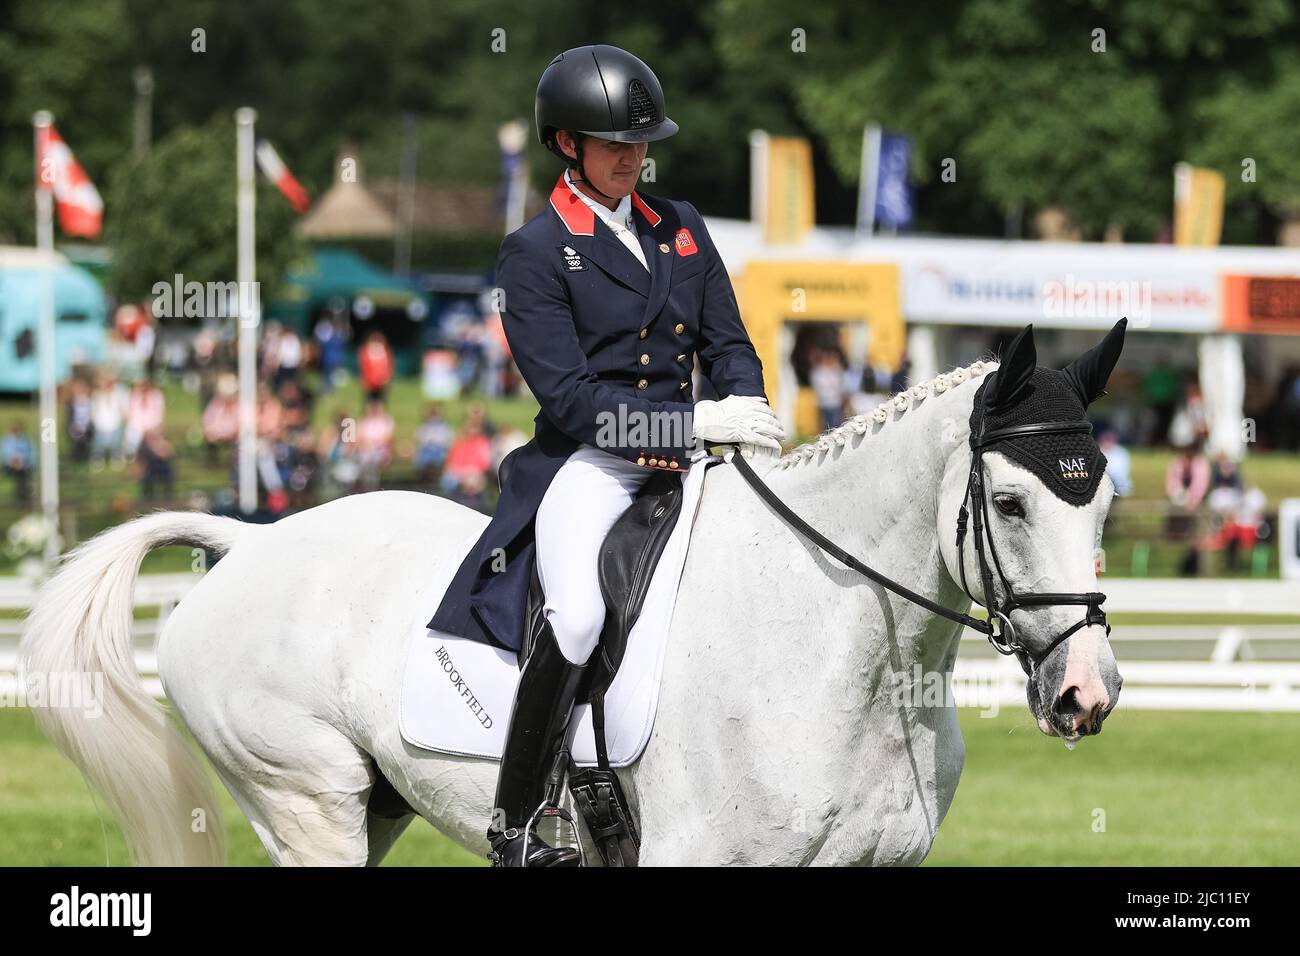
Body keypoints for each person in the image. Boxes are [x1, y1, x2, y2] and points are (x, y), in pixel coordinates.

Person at [426, 44, 785, 866]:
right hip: (591, 464)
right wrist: (694, 428)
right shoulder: (536, 251)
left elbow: (729, 347)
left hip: (700, 455)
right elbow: (574, 403)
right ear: (567, 145)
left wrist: (750, 413)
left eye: (642, 142)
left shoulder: (682, 228)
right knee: (580, 613)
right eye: (613, 143)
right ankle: (517, 822)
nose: (633, 157)